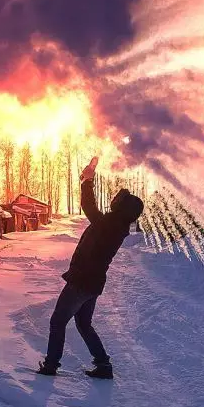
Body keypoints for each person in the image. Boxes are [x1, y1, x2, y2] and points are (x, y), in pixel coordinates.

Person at [37, 158, 144, 379]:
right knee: (84, 324)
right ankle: (103, 366)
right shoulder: (116, 224)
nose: (114, 200)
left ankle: (51, 365)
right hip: (91, 283)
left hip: (81, 282)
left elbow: (89, 207)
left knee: (58, 321)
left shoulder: (111, 224)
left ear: (123, 208)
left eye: (119, 200)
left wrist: (87, 180)